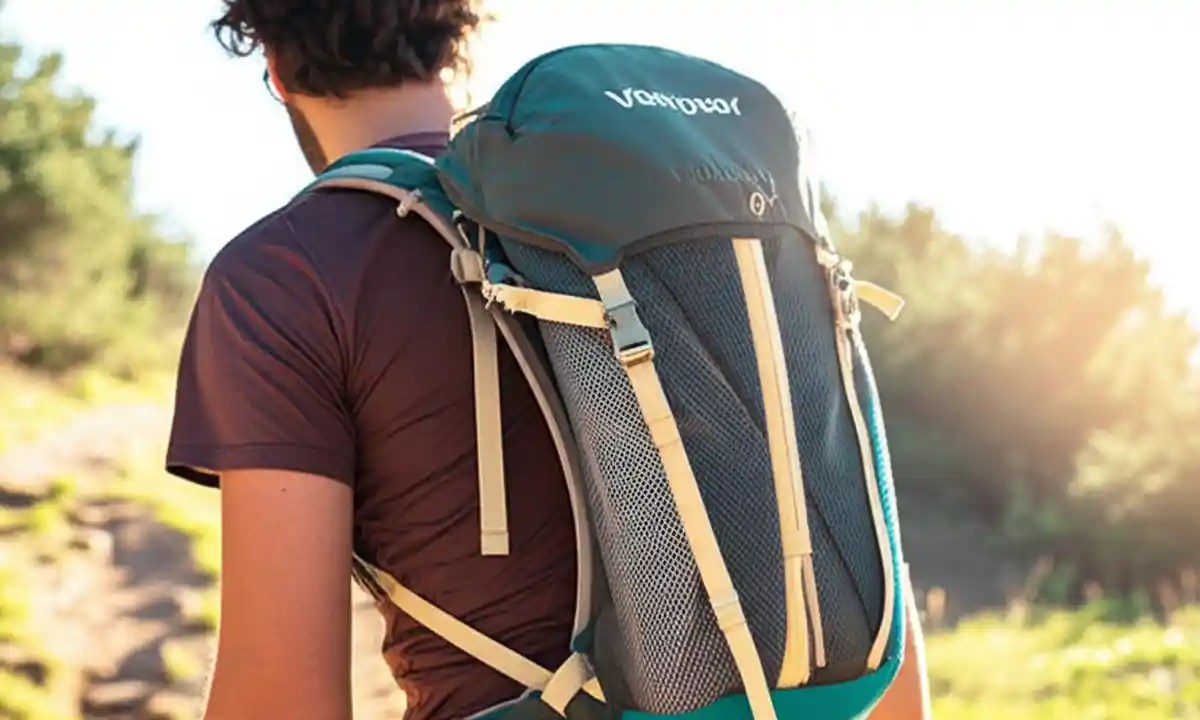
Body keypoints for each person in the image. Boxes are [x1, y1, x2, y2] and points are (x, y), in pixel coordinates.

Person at [168, 2, 931, 718]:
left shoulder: (286, 276)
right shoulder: (669, 221)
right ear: (460, 33)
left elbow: (277, 698)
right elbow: (869, 580)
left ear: (272, 62)